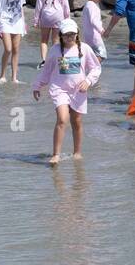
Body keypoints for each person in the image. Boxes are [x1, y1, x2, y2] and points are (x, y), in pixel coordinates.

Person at [32, 18, 100, 164]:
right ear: (61, 35)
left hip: (78, 91)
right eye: (66, 34)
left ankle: (77, 153)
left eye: (72, 34)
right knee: (62, 119)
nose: (69, 37)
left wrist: (88, 81)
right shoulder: (55, 50)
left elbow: (95, 68)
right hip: (59, 89)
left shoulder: (85, 49)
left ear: (77, 34)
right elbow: (47, 70)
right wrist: (37, 85)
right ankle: (56, 154)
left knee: (77, 121)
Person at [33, 0, 70, 66]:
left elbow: (39, 5)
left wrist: (36, 21)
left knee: (44, 40)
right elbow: (65, 4)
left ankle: (44, 61)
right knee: (56, 41)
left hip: (45, 15)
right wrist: (67, 18)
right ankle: (57, 62)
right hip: (58, 15)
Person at [79, 0, 108, 67]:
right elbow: (93, 20)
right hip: (94, 35)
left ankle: (87, 70)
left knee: (92, 55)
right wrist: (101, 30)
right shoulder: (92, 5)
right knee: (102, 54)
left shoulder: (87, 5)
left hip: (88, 35)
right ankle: (92, 69)